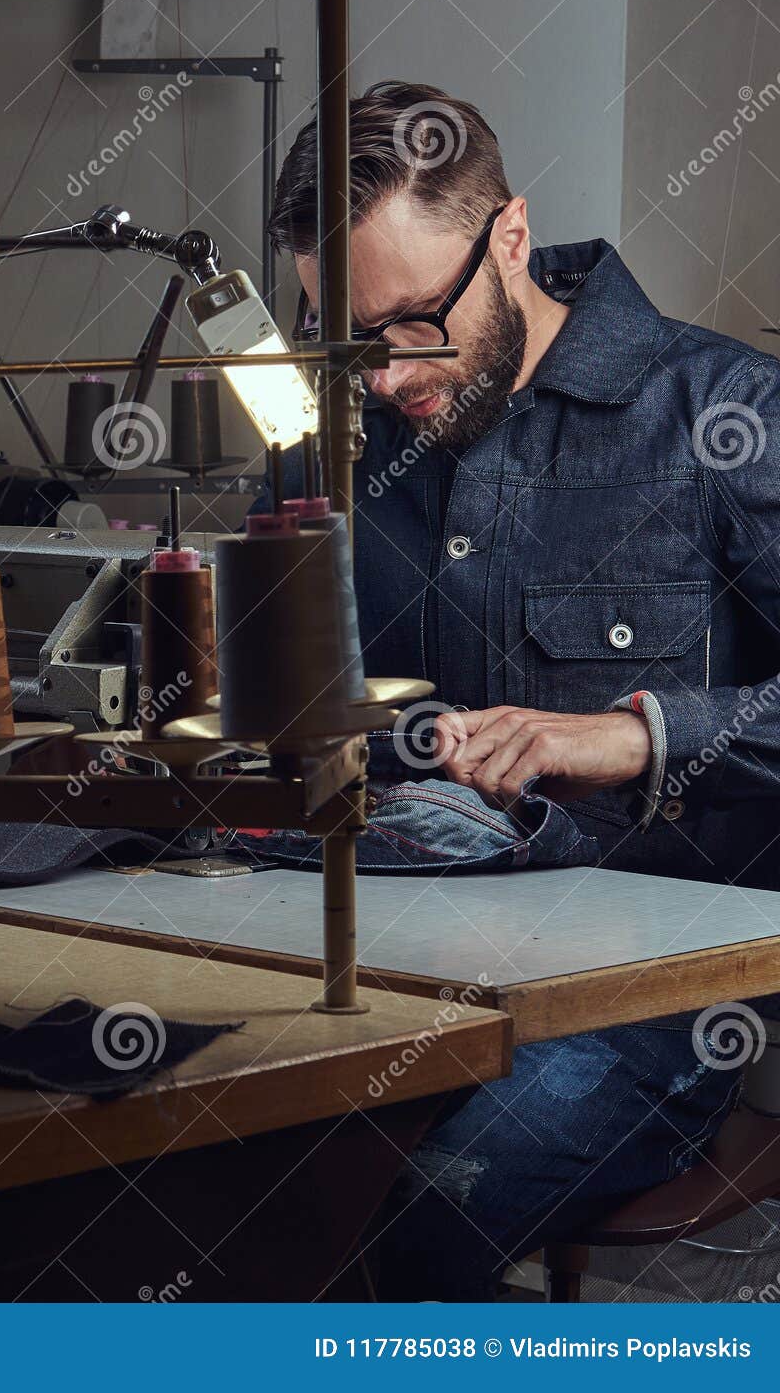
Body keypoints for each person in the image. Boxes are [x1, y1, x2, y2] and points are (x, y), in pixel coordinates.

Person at [263, 80, 777, 1299]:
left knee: (393, 1227)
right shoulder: (336, 441)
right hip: (376, 953)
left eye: (407, 326)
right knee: (163, 1155)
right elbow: (273, 706)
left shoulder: (721, 416)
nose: (380, 378)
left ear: (507, 238)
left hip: (635, 1006)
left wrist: (638, 736)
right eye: (342, 336)